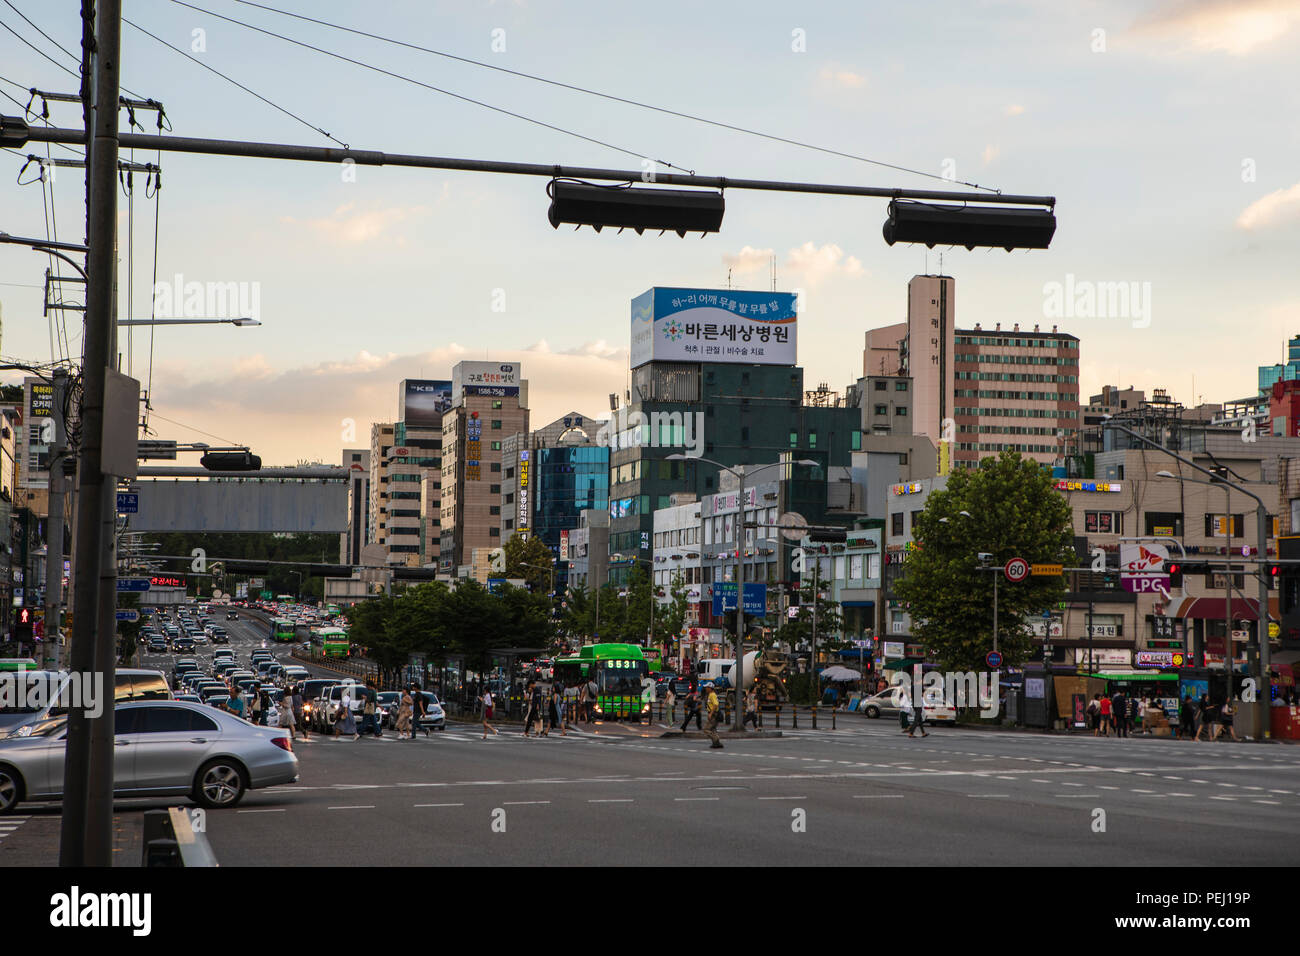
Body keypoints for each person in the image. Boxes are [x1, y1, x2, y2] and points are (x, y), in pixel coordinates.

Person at [702, 682, 723, 749]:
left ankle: (716, 740)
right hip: (713, 714)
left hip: (713, 714)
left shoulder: (712, 695)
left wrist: (710, 713)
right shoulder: (711, 694)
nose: (706, 689)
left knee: (706, 729)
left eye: (707, 687)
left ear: (710, 688)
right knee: (713, 729)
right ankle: (716, 743)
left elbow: (716, 704)